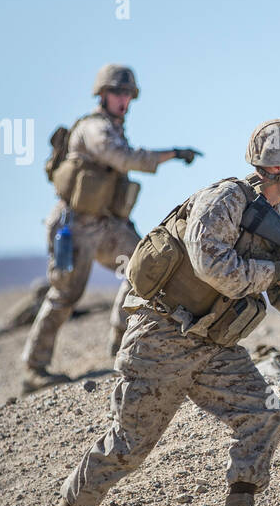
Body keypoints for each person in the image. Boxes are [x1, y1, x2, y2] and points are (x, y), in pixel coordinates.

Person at [35, 119, 280, 506]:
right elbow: (213, 267)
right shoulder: (224, 200)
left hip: (213, 344)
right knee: (130, 445)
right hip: (162, 333)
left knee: (263, 414)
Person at [21, 64, 199, 393]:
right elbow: (123, 158)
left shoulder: (113, 128)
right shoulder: (94, 129)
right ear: (102, 94)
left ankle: (121, 348)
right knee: (64, 295)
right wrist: (171, 154)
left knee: (142, 266)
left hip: (105, 225)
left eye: (128, 94)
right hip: (74, 227)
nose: (124, 100)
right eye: (118, 93)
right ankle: (34, 369)